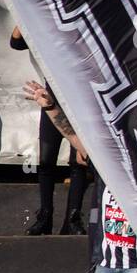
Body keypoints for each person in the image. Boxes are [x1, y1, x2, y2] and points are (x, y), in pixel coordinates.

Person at [13, 29, 89, 236]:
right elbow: (16, 42)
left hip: (78, 104)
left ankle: (72, 219)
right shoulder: (45, 26)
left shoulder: (82, 31)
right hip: (50, 101)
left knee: (79, 163)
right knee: (46, 161)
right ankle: (45, 217)